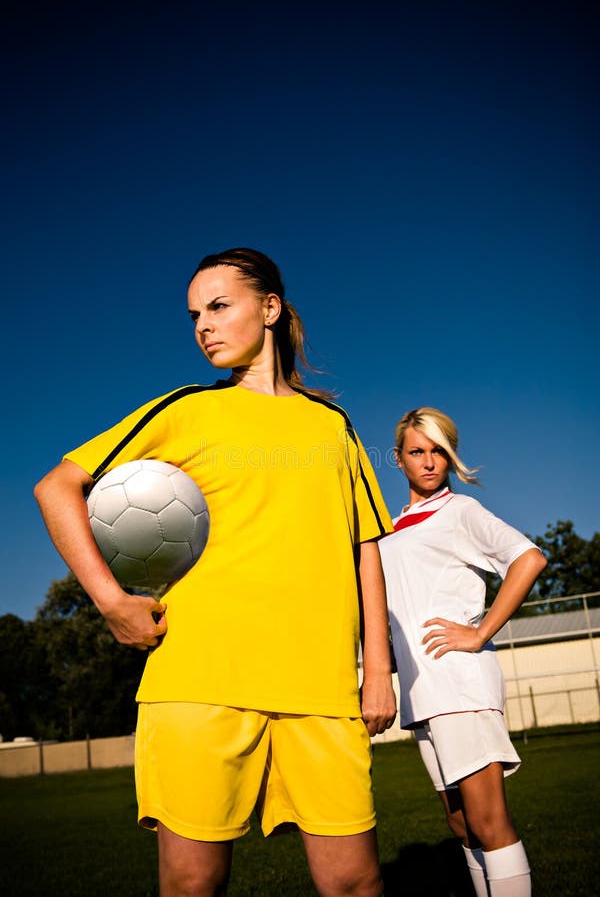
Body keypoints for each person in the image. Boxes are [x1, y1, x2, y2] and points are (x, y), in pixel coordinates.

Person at [34, 247, 397, 896]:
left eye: (219, 305)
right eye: (195, 313)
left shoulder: (332, 427)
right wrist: (111, 600)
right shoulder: (183, 411)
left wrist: (379, 671)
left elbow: (364, 548)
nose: (203, 324)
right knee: (192, 883)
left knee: (354, 883)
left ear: (270, 308)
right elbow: (58, 487)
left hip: (320, 689)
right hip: (199, 679)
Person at [378, 407, 547, 897]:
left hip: (460, 685)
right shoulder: (391, 526)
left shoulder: (461, 512)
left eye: (439, 452)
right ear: (399, 458)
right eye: (417, 452)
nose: (429, 462)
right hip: (422, 694)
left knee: (489, 821)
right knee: (461, 826)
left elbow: (529, 559)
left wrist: (479, 632)